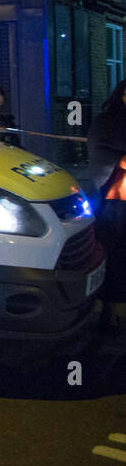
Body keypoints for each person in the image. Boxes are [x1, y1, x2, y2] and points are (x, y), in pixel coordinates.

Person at [89, 79, 126, 312]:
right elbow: (104, 155)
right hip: (115, 200)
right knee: (114, 251)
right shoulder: (108, 122)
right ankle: (110, 304)